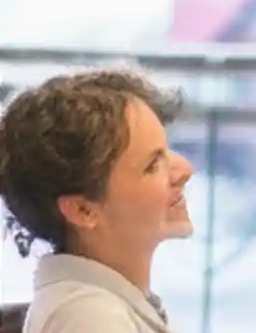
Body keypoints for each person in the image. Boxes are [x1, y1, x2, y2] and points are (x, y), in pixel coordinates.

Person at [0, 68, 194, 332]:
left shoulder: (102, 306)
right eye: (152, 165)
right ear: (83, 210)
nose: (184, 169)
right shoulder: (90, 319)